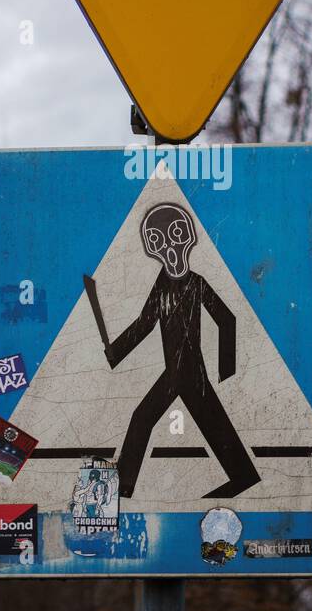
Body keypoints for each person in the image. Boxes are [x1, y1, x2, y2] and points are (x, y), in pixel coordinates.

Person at [103, 203, 261, 500]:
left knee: (160, 418)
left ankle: (124, 488)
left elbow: (227, 319)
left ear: (188, 237)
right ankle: (243, 474)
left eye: (176, 234)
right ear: (152, 249)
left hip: (189, 370)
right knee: (171, 418)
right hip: (175, 371)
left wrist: (226, 371)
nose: (170, 247)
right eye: (158, 240)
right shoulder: (161, 285)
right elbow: (144, 323)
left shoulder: (196, 282)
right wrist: (114, 352)